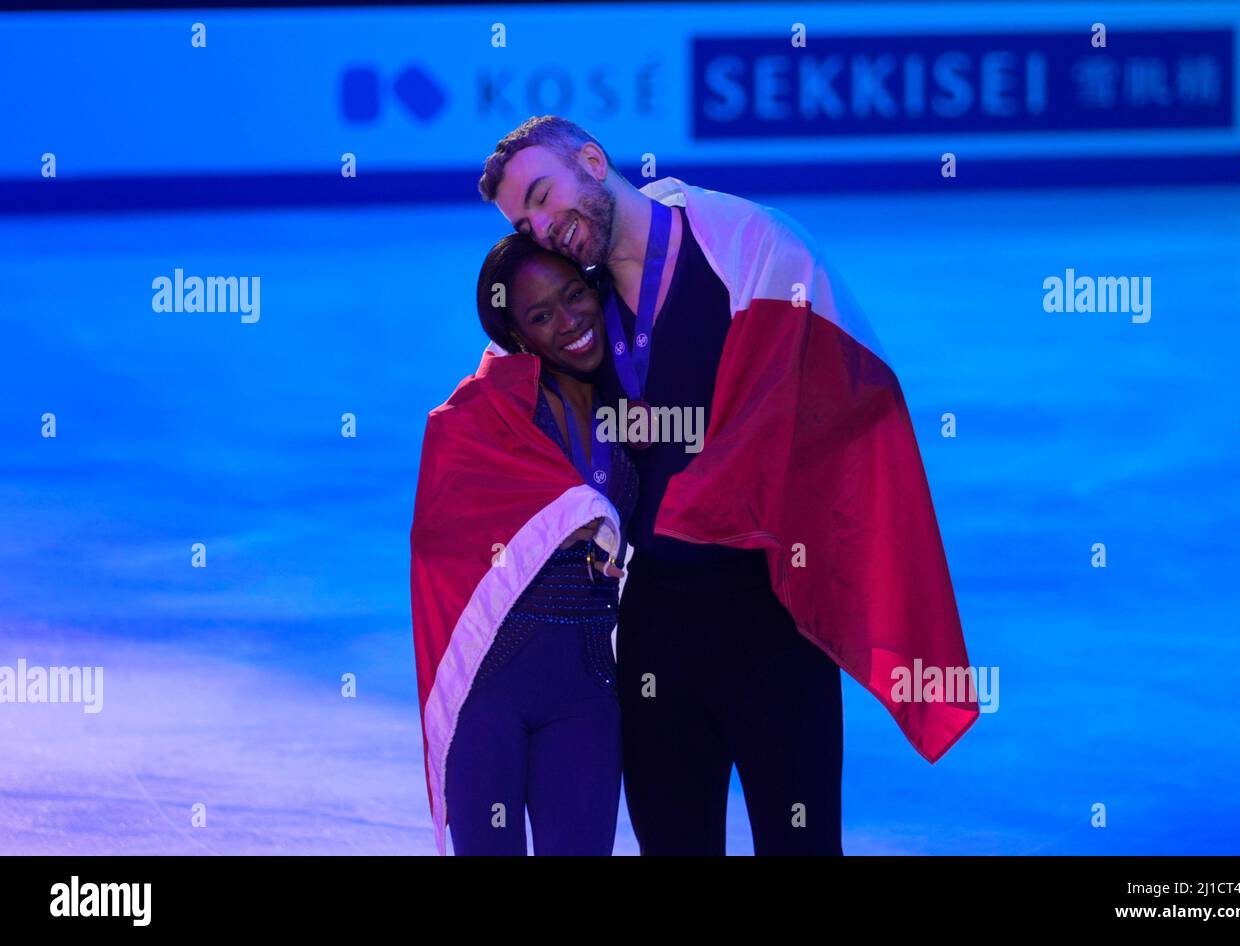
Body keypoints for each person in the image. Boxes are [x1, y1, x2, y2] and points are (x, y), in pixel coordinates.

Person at [478, 116, 980, 856]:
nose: (545, 226)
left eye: (546, 196)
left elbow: (845, 409)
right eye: (527, 220)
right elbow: (525, 439)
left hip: (773, 625)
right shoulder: (575, 314)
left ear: (593, 159)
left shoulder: (750, 249)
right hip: (654, 636)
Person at [409, 234, 637, 855]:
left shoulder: (637, 407)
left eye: (575, 295)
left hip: (587, 693)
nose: (569, 322)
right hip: (486, 697)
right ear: (516, 336)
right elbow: (436, 542)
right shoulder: (475, 422)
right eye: (541, 316)